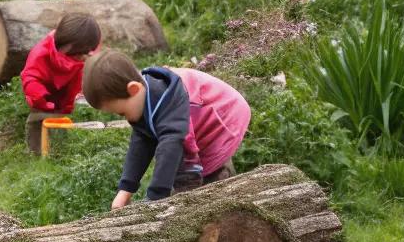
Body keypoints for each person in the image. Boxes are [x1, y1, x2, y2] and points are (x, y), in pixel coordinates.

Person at [83, 50, 251, 206]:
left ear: (133, 89)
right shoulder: (144, 98)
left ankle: (223, 201)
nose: (126, 119)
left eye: (122, 113)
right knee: (179, 168)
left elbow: (173, 148)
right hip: (195, 121)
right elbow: (141, 142)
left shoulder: (169, 104)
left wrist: (156, 198)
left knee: (208, 181)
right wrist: (126, 189)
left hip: (222, 119)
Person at [20, 11, 103, 154]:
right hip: (43, 92)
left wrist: (72, 102)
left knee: (63, 119)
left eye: (85, 53)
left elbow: (80, 79)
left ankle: (63, 149)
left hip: (66, 91)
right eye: (78, 53)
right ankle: (36, 152)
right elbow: (30, 77)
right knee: (39, 119)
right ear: (64, 43)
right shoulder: (41, 54)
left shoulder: (83, 55)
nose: (82, 57)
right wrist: (39, 98)